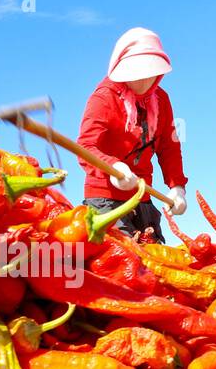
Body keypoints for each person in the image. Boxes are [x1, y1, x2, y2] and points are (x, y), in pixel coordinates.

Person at [78, 27, 188, 243]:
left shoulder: (162, 100)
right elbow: (86, 147)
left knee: (155, 265)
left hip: (144, 197)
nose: (144, 82)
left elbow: (169, 146)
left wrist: (177, 187)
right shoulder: (103, 98)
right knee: (123, 262)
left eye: (151, 74)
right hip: (104, 199)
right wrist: (113, 167)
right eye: (136, 74)